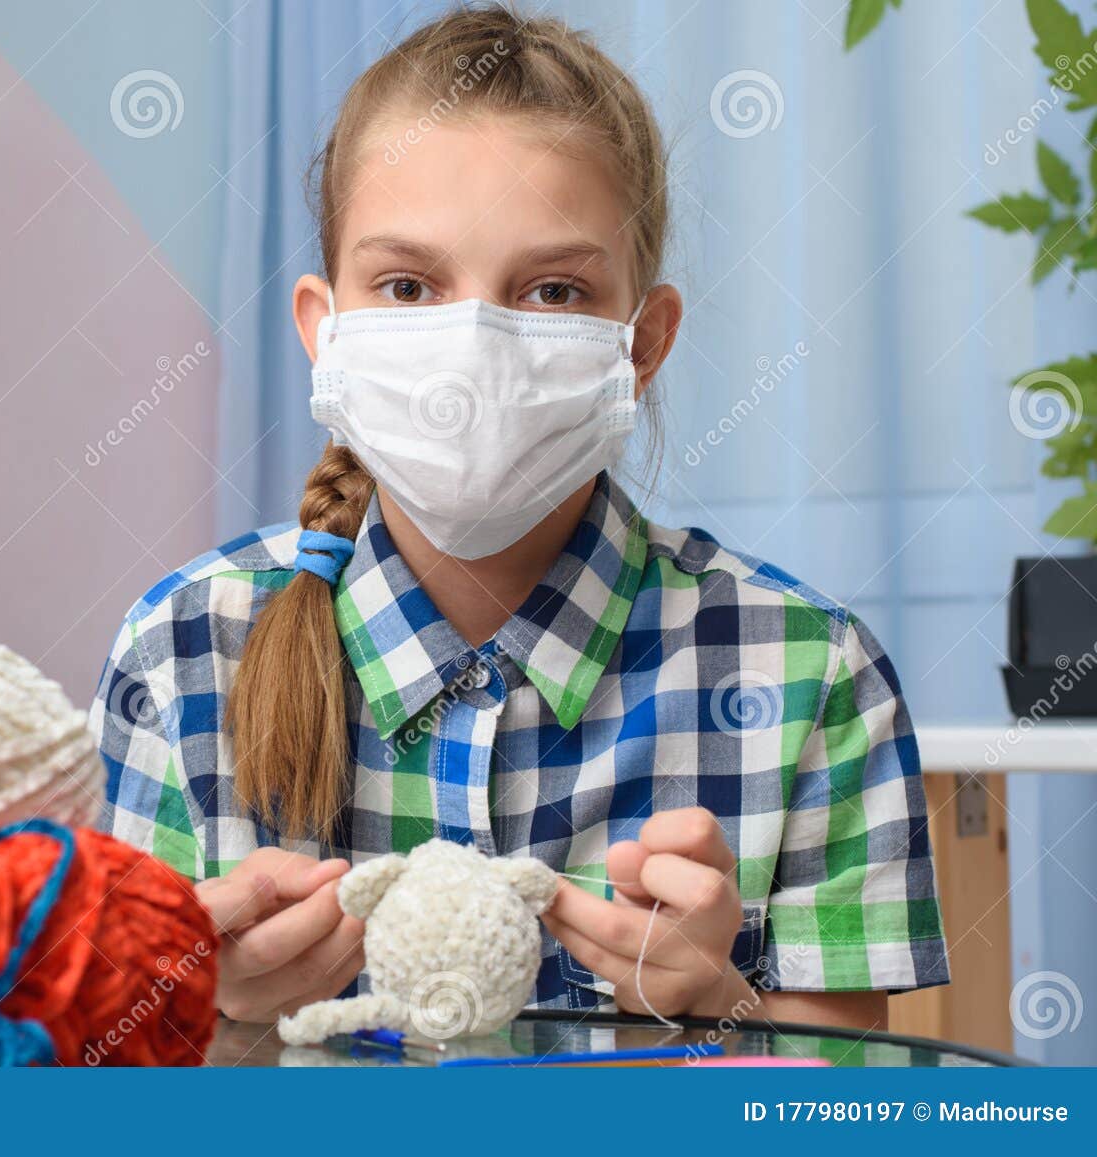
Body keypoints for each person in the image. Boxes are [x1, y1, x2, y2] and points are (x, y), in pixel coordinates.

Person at [91, 4, 947, 1031]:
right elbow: (102, 1080)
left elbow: (844, 1112)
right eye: (407, 284)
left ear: (643, 341)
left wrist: (721, 1004)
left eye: (551, 289)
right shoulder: (182, 654)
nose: (473, 349)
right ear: (327, 330)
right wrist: (204, 1019)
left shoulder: (808, 672)